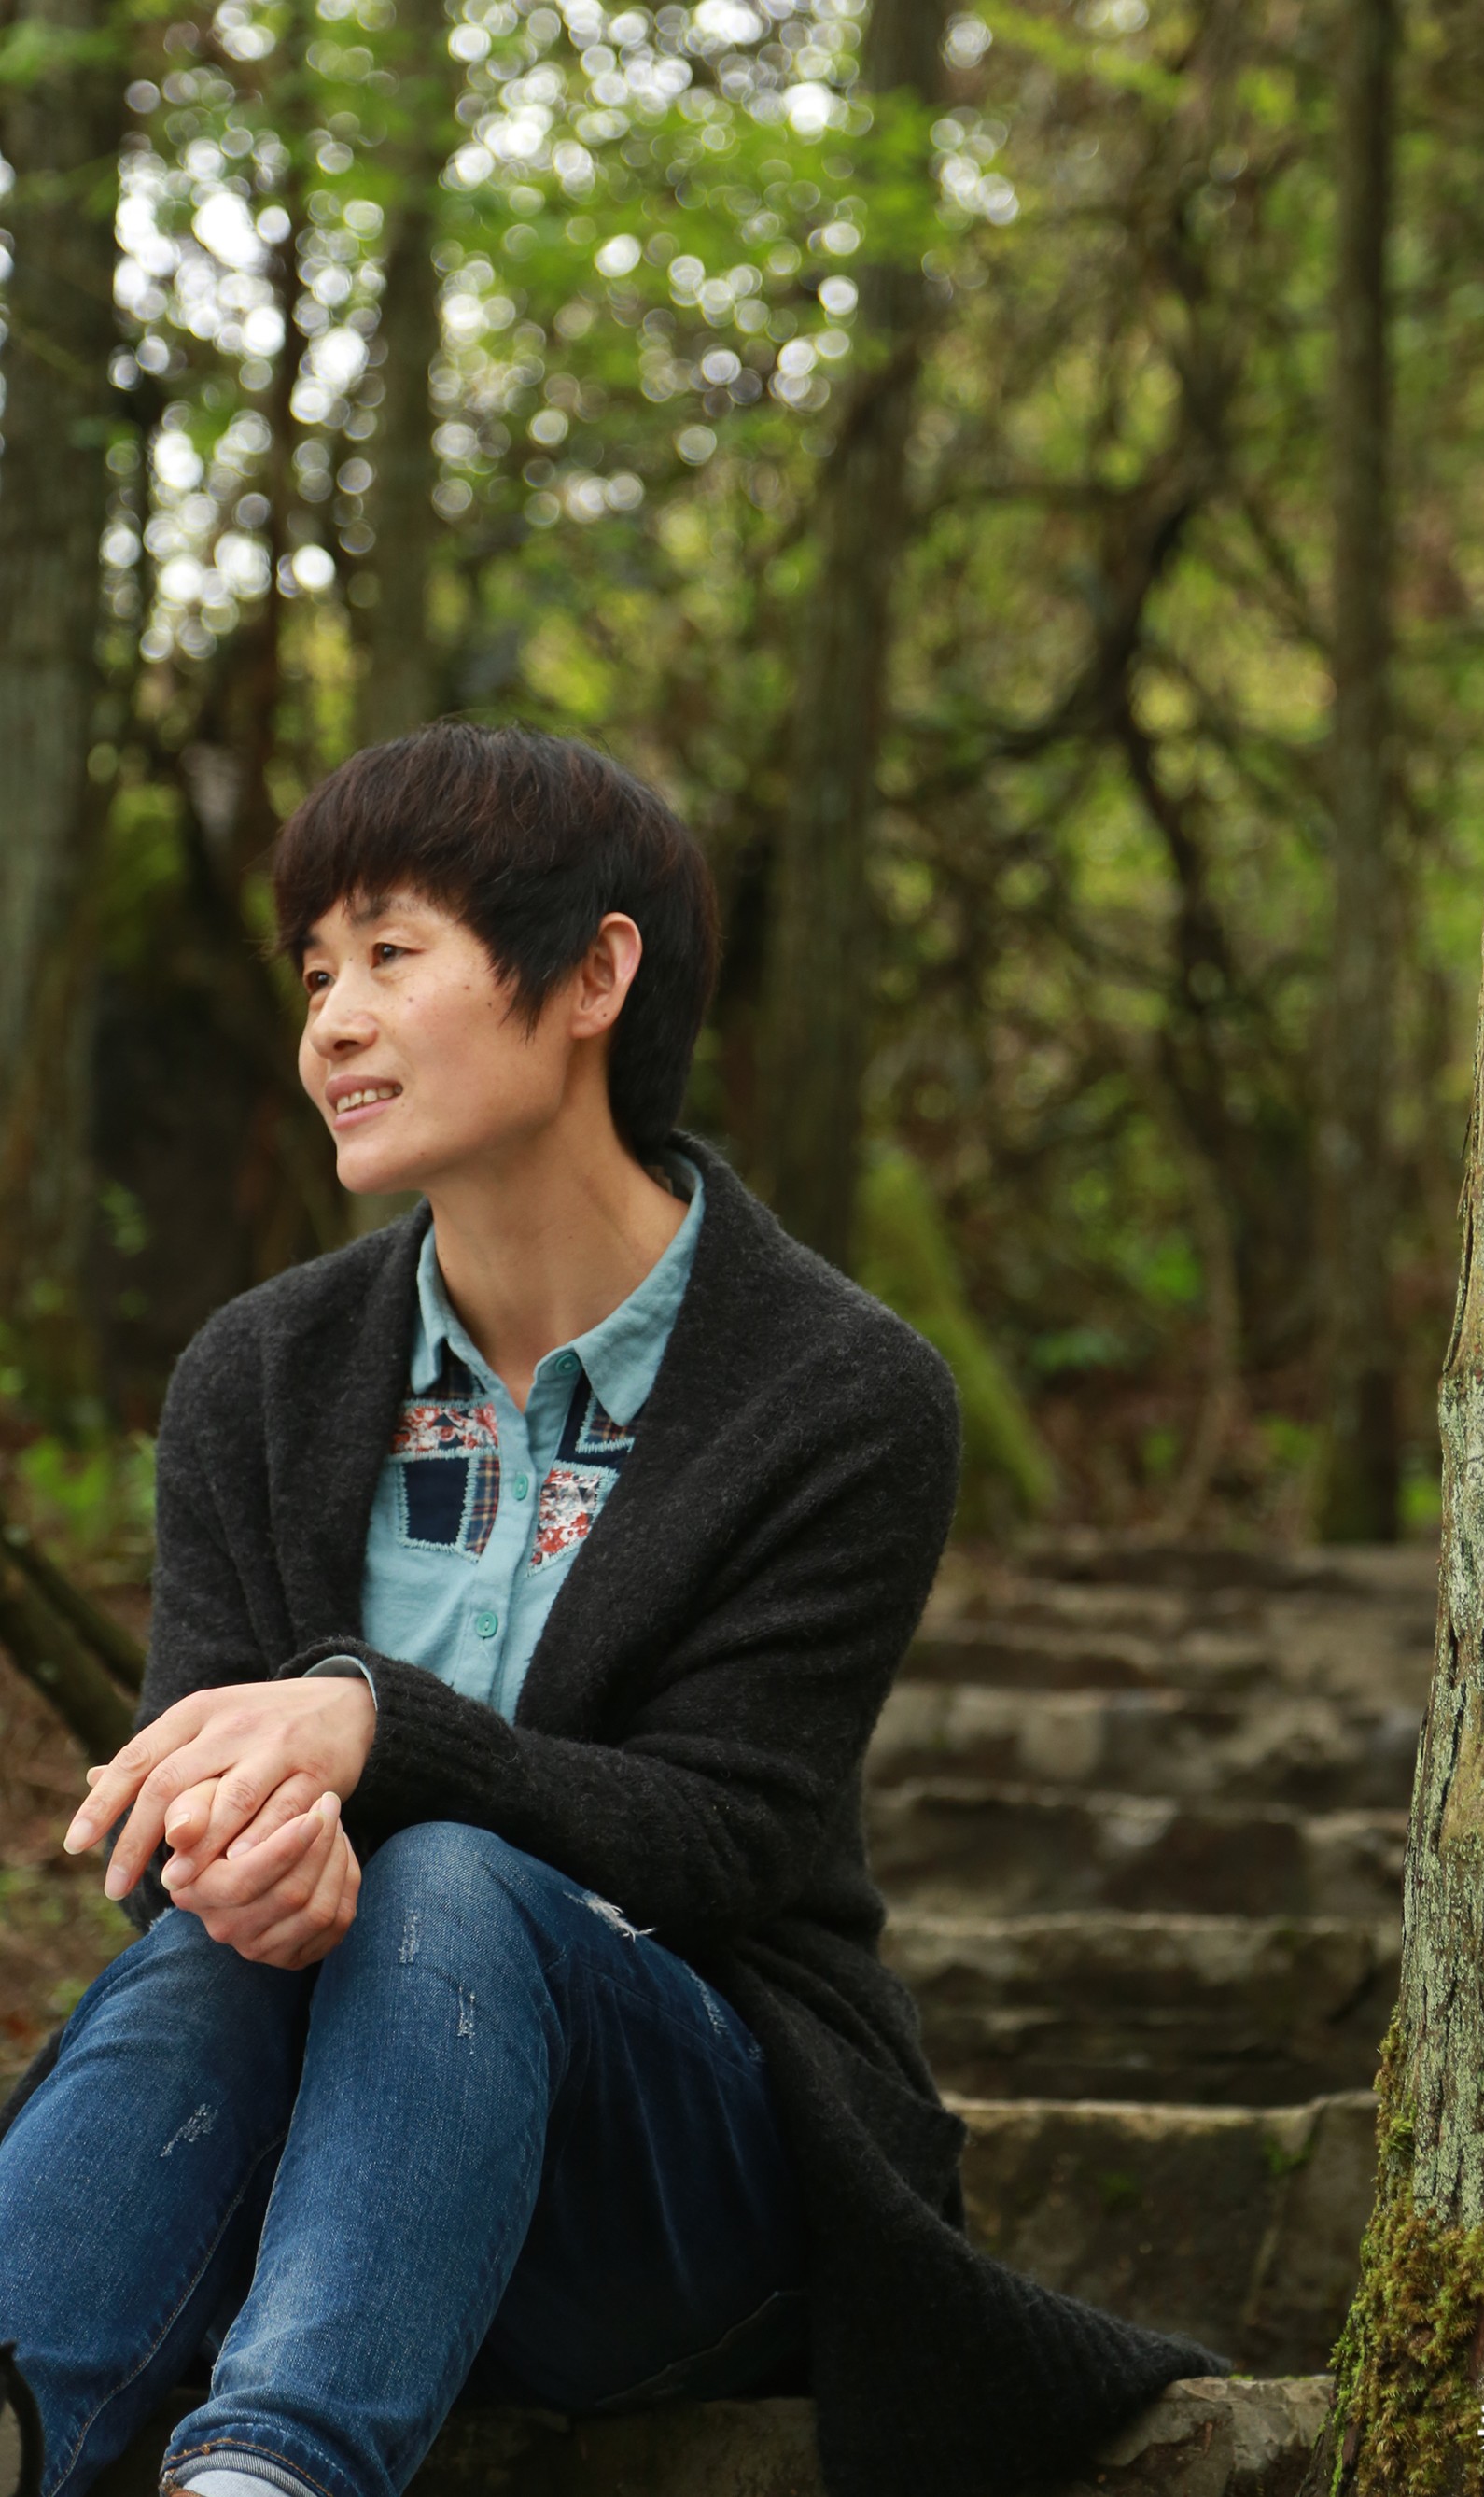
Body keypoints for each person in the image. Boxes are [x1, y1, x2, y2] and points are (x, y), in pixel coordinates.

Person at [0, 723, 1219, 2497]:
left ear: (594, 972)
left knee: (447, 1879)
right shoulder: (257, 1378)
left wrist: (370, 1734)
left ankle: (269, 2468)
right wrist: (243, 1853)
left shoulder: (841, 1395)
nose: (328, 1019)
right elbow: (186, 1776)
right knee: (224, 1946)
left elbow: (727, 1837)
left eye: (390, 953)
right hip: (295, 2152)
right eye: (315, 969)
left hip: (678, 2185)